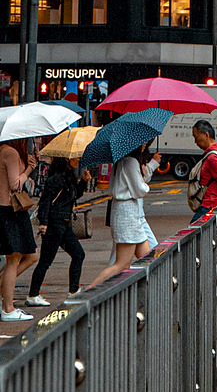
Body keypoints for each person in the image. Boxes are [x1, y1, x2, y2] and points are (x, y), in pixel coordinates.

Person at [85, 139, 158, 287]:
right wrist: (144, 183)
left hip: (130, 214)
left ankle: (147, 294)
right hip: (127, 214)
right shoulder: (130, 162)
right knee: (122, 264)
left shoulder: (123, 161)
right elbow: (139, 189)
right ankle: (89, 292)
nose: (145, 144)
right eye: (143, 142)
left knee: (148, 260)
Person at [27, 154, 86, 305]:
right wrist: (44, 223)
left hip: (65, 225)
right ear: (66, 159)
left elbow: (74, 196)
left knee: (78, 254)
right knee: (46, 261)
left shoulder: (68, 177)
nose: (78, 160)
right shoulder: (55, 179)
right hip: (54, 224)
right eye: (75, 157)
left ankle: (73, 291)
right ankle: (32, 295)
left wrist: (84, 182)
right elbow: (45, 202)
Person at [0, 137, 38, 322]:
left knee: (30, 256)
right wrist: (29, 168)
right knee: (14, 258)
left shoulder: (6, 151)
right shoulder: (10, 152)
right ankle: (7, 308)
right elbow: (15, 184)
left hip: (12, 210)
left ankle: (4, 294)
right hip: (10, 210)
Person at [192, 119, 217, 221]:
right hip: (211, 205)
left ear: (206, 135)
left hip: (209, 206)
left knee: (191, 232)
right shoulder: (216, 151)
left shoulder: (212, 157)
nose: (195, 142)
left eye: (196, 137)